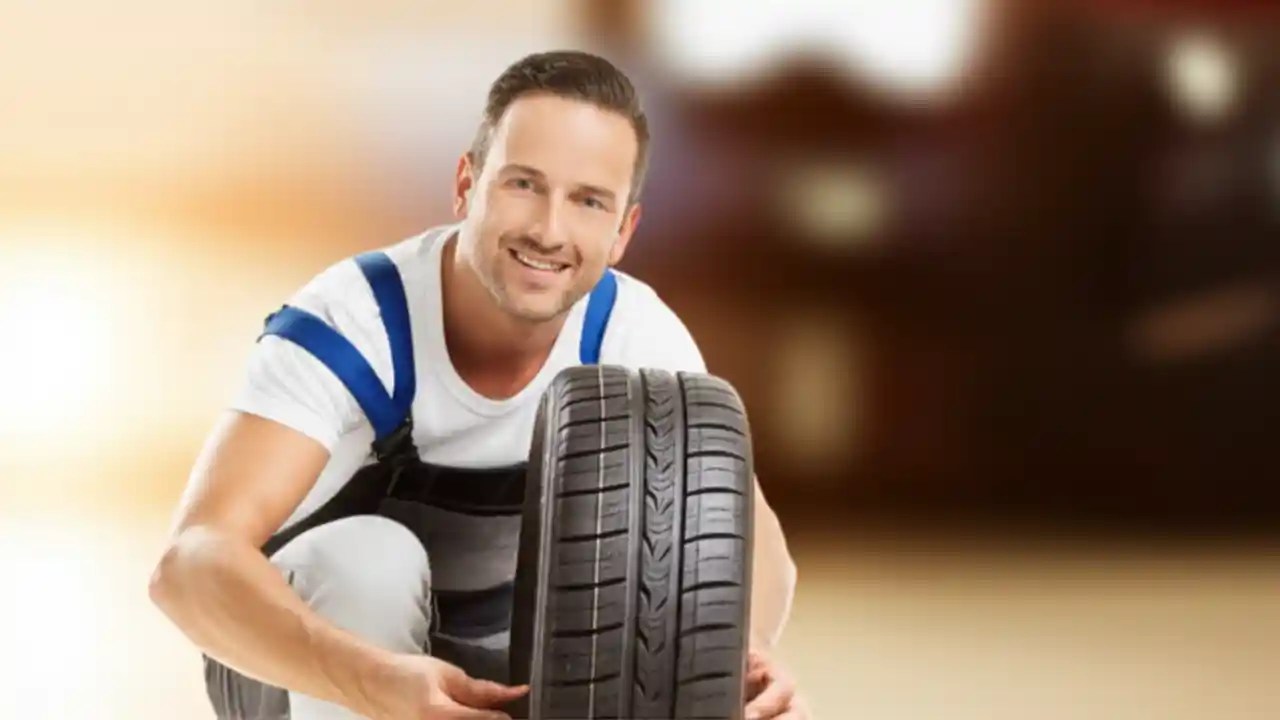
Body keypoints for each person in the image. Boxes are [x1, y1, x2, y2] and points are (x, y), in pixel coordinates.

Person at [149, 50, 806, 720]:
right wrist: (373, 681)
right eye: (524, 184)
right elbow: (189, 563)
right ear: (467, 184)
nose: (549, 230)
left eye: (588, 201)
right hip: (312, 671)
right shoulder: (354, 321)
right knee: (369, 559)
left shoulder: (634, 337)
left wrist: (742, 655)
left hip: (507, 675)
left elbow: (754, 541)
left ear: (622, 231)